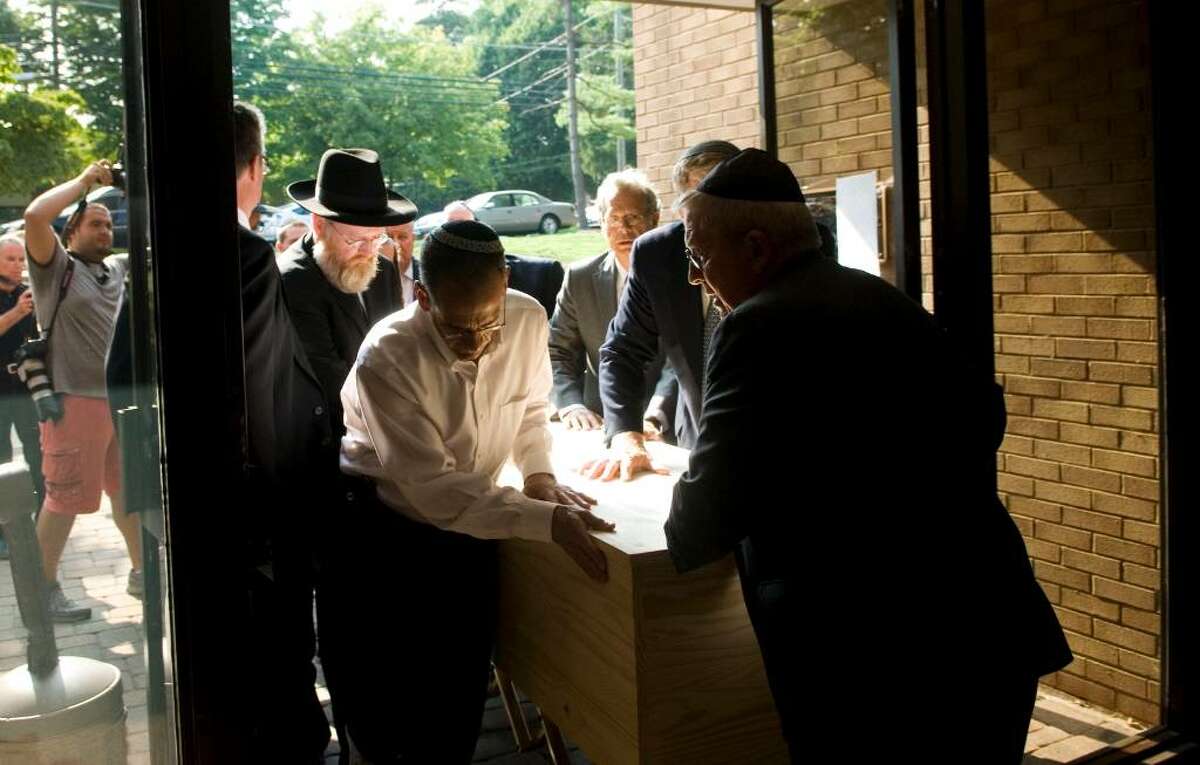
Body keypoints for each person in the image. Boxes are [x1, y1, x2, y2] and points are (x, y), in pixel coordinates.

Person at [664, 149, 1072, 762]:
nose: (697, 277)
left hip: (870, 663)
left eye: (699, 256)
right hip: (988, 626)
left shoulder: (756, 326)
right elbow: (984, 417)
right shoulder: (883, 298)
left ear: (754, 248)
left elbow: (704, 516)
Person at [332, 220, 613, 762]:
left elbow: (531, 411)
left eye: (490, 324)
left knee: (460, 686)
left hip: (476, 514)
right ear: (421, 296)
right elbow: (432, 489)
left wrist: (538, 476)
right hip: (387, 531)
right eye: (459, 329)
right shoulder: (387, 356)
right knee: (395, 710)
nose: (479, 343)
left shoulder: (529, 317)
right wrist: (543, 519)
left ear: (506, 283)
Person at [232, 101, 335, 762]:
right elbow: (262, 401)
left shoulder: (154, 249)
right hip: (260, 522)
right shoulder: (246, 257)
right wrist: (280, 529)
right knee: (283, 688)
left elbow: (118, 367)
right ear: (254, 166)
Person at [22, 162, 143, 620]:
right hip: (74, 402)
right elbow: (35, 217)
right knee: (64, 499)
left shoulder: (117, 267)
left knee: (128, 495)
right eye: (95, 223)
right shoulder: (56, 268)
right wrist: (87, 182)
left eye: (109, 224)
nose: (105, 230)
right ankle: (41, 590)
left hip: (119, 402)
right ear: (70, 233)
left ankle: (139, 574)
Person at [592, 140, 740, 477]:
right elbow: (622, 351)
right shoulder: (657, 254)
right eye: (698, 203)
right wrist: (626, 436)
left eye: (722, 200)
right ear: (681, 206)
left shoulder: (778, 247)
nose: (711, 217)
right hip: (695, 439)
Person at [278, 148, 410, 445]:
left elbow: (398, 348)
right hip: (328, 441)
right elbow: (329, 378)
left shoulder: (384, 269)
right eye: (354, 240)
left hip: (387, 429)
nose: (367, 251)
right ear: (320, 225)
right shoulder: (293, 280)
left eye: (376, 238)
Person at [549, 169, 674, 438]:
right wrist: (571, 405)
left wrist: (656, 414)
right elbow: (558, 352)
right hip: (598, 424)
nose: (624, 229)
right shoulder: (579, 277)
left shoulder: (681, 277)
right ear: (602, 223)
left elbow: (682, 358)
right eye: (614, 218)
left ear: (654, 219)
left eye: (633, 218)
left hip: (667, 424)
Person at [442, 199, 565, 318]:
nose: (457, 232)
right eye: (450, 224)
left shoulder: (542, 275)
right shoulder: (433, 277)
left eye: (465, 225)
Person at [0, 235, 44, 560]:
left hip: (25, 387)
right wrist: (18, 312)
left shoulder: (26, 293)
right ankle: (5, 532)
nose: (17, 266)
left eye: (20, 260)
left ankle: (45, 525)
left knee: (39, 455)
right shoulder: (16, 301)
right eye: (9, 259)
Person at [377, 220, 418, 305]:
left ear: (413, 238)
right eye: (388, 238)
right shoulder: (367, 281)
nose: (396, 244)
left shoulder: (428, 275)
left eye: (402, 237)